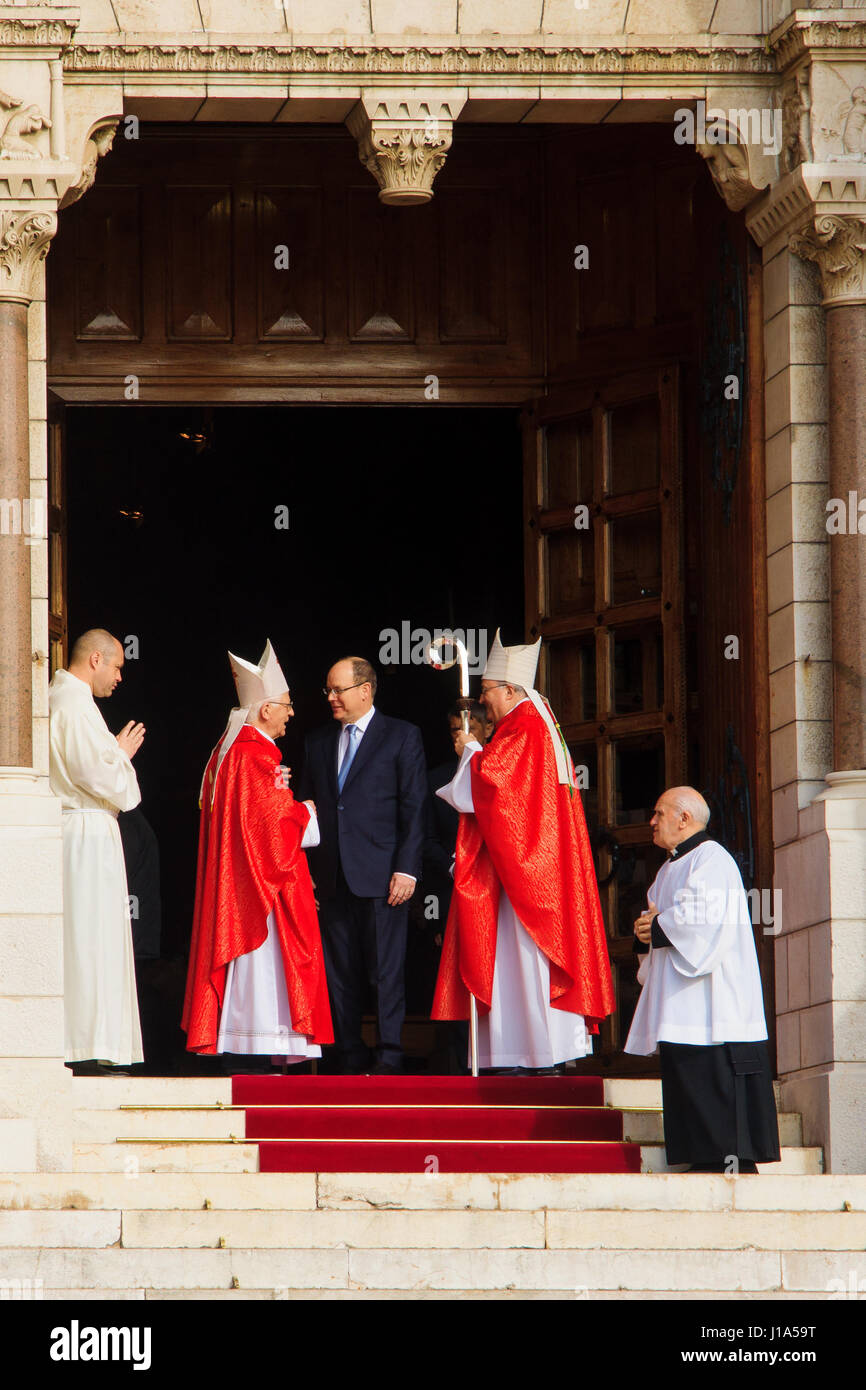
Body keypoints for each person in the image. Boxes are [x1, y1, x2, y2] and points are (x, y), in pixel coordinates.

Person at [432, 629, 614, 1072]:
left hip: (529, 876)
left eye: (487, 691)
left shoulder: (526, 724)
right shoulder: (536, 722)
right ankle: (531, 1053)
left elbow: (494, 790)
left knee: (523, 962)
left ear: (510, 690)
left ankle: (533, 1055)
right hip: (535, 865)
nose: (482, 701)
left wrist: (471, 751)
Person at [182, 640, 332, 1065]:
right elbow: (269, 828)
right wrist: (304, 812)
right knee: (266, 971)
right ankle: (260, 1044)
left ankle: (254, 1045)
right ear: (265, 709)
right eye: (285, 704)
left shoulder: (232, 752)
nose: (291, 712)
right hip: (259, 892)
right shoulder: (252, 755)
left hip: (244, 881)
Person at [624, 786, 781, 1173]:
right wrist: (645, 930)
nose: (652, 822)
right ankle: (701, 1155)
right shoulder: (667, 869)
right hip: (681, 999)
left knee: (715, 1077)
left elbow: (703, 919)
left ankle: (730, 1161)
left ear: (684, 818)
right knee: (687, 1076)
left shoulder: (712, 860)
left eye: (659, 813)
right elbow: (660, 920)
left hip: (716, 1001)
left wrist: (656, 927)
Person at [298, 656, 427, 1074]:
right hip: (332, 877)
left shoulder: (401, 736)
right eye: (328, 691)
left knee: (385, 975)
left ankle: (389, 1056)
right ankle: (348, 1056)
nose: (331, 698)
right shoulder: (318, 742)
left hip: (383, 876)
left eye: (339, 690)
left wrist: (407, 869)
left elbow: (414, 807)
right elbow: (309, 811)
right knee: (339, 977)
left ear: (366, 690)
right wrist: (308, 876)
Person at [49, 629, 145, 1072]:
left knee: (97, 939)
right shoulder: (71, 702)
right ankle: (88, 1045)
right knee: (90, 940)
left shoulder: (74, 701)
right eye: (117, 667)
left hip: (89, 832)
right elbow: (95, 774)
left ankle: (96, 1042)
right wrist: (122, 756)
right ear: (95, 661)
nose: (119, 677)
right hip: (85, 835)